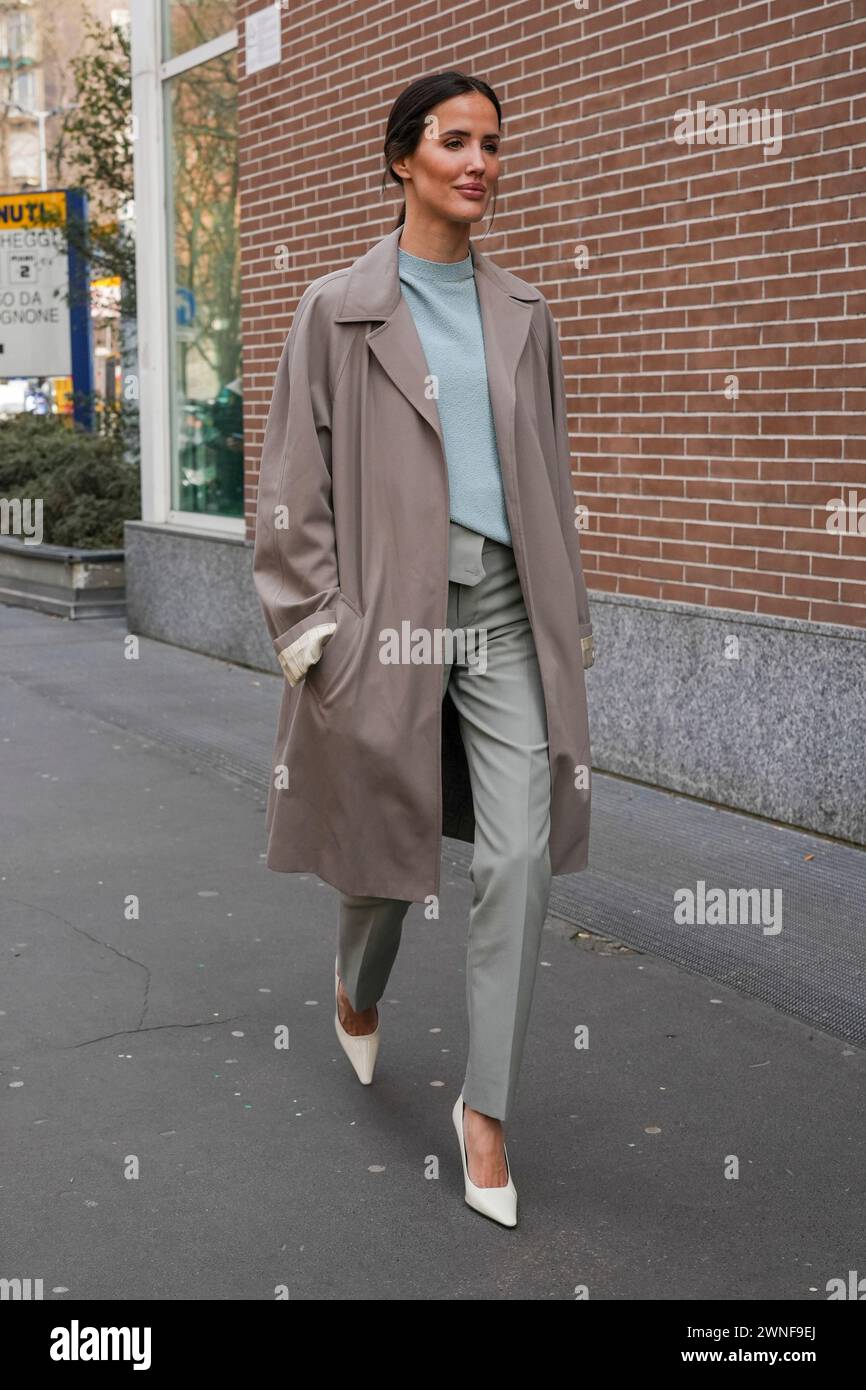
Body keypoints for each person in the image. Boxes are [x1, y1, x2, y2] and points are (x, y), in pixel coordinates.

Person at [253, 70, 594, 1228]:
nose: (479, 162)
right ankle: (356, 987)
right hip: (387, 614)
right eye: (455, 141)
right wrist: (315, 637)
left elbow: (541, 475)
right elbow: (292, 490)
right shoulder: (335, 308)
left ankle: (483, 1109)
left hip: (500, 609)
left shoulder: (525, 315)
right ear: (402, 156)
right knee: (384, 860)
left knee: (517, 854)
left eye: (493, 144)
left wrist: (565, 620)